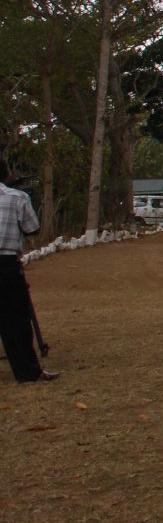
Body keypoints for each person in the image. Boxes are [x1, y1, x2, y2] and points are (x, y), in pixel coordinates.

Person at [0, 160, 56, 383]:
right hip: (5, 264)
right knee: (16, 319)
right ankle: (27, 371)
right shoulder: (17, 197)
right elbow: (32, 228)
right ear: (7, 173)